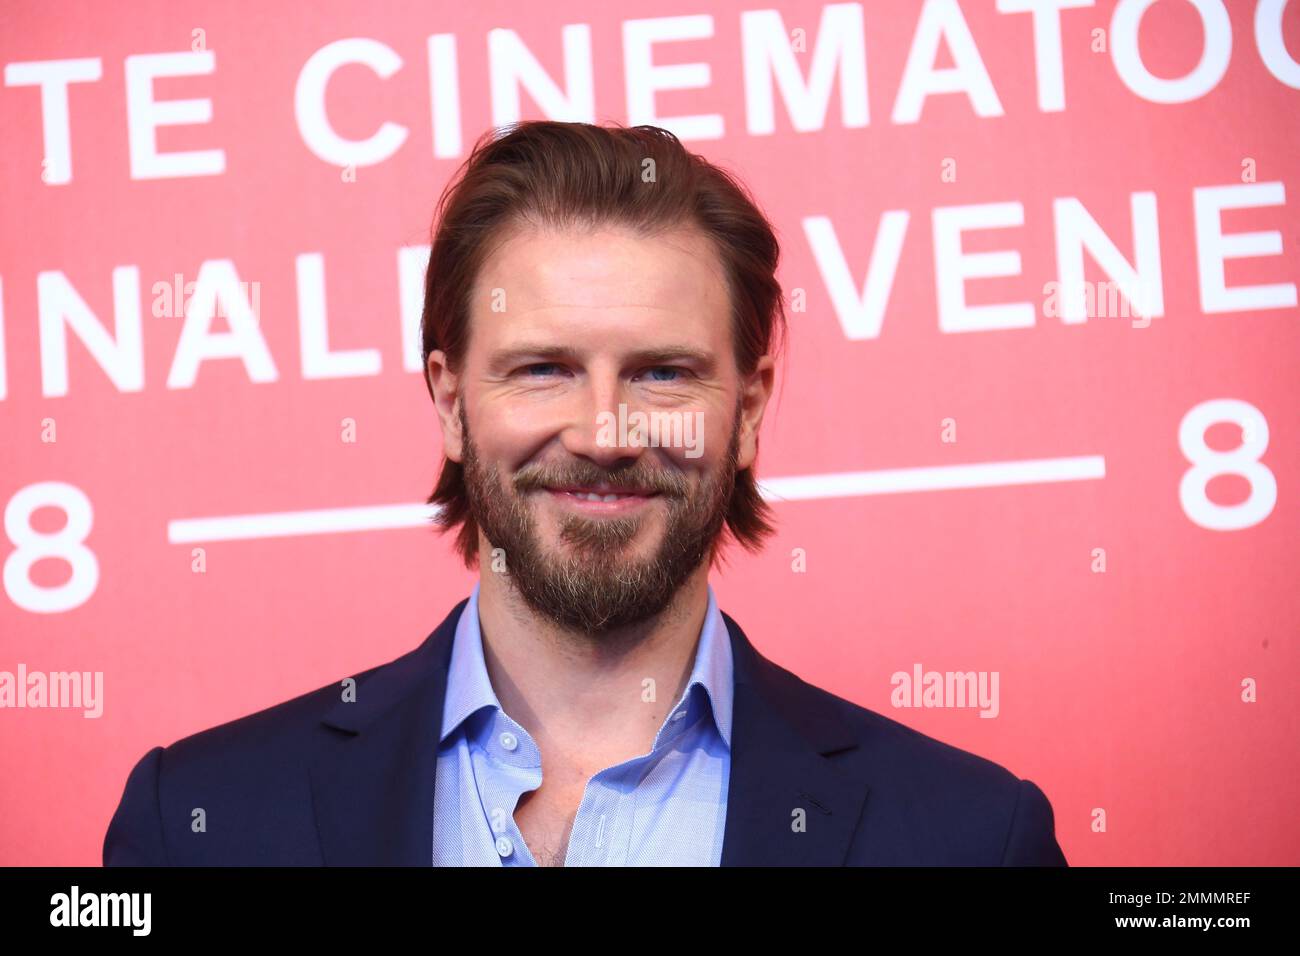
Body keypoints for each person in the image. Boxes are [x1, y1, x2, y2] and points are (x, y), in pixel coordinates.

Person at [104, 120, 1067, 866]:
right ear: (449, 403)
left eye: (661, 374)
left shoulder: (973, 837)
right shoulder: (199, 823)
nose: (604, 434)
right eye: (542, 371)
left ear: (748, 412)